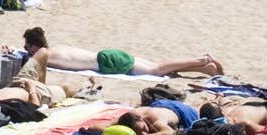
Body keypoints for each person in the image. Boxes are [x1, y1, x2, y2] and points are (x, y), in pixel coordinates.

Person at [27, 29, 223, 77]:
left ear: (35, 47)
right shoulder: (57, 48)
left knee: (156, 70)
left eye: (28, 48)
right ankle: (204, 68)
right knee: (159, 67)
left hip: (108, 62)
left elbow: (32, 65)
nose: (28, 52)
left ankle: (200, 60)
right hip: (108, 55)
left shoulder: (47, 55)